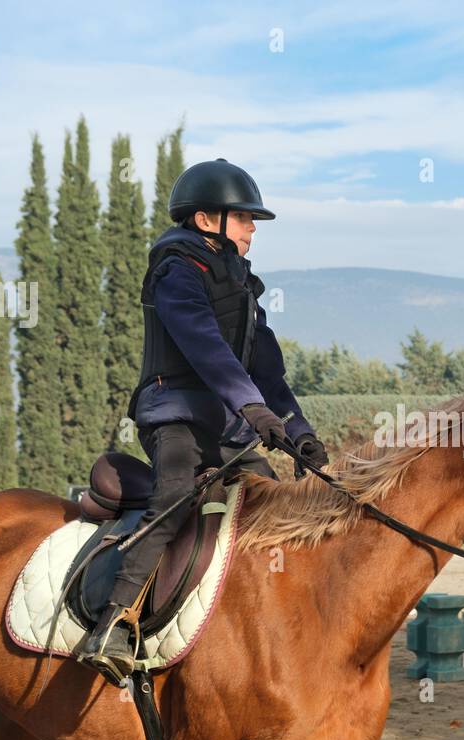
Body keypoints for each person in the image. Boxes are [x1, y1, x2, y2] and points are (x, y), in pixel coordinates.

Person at [79, 158, 329, 686]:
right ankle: (114, 622)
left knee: (272, 506)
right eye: (244, 217)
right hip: (175, 416)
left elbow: (268, 371)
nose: (253, 228)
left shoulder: (243, 286)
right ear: (206, 220)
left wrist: (299, 430)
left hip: (230, 427)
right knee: (173, 500)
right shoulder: (175, 271)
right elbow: (204, 346)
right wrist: (250, 406)